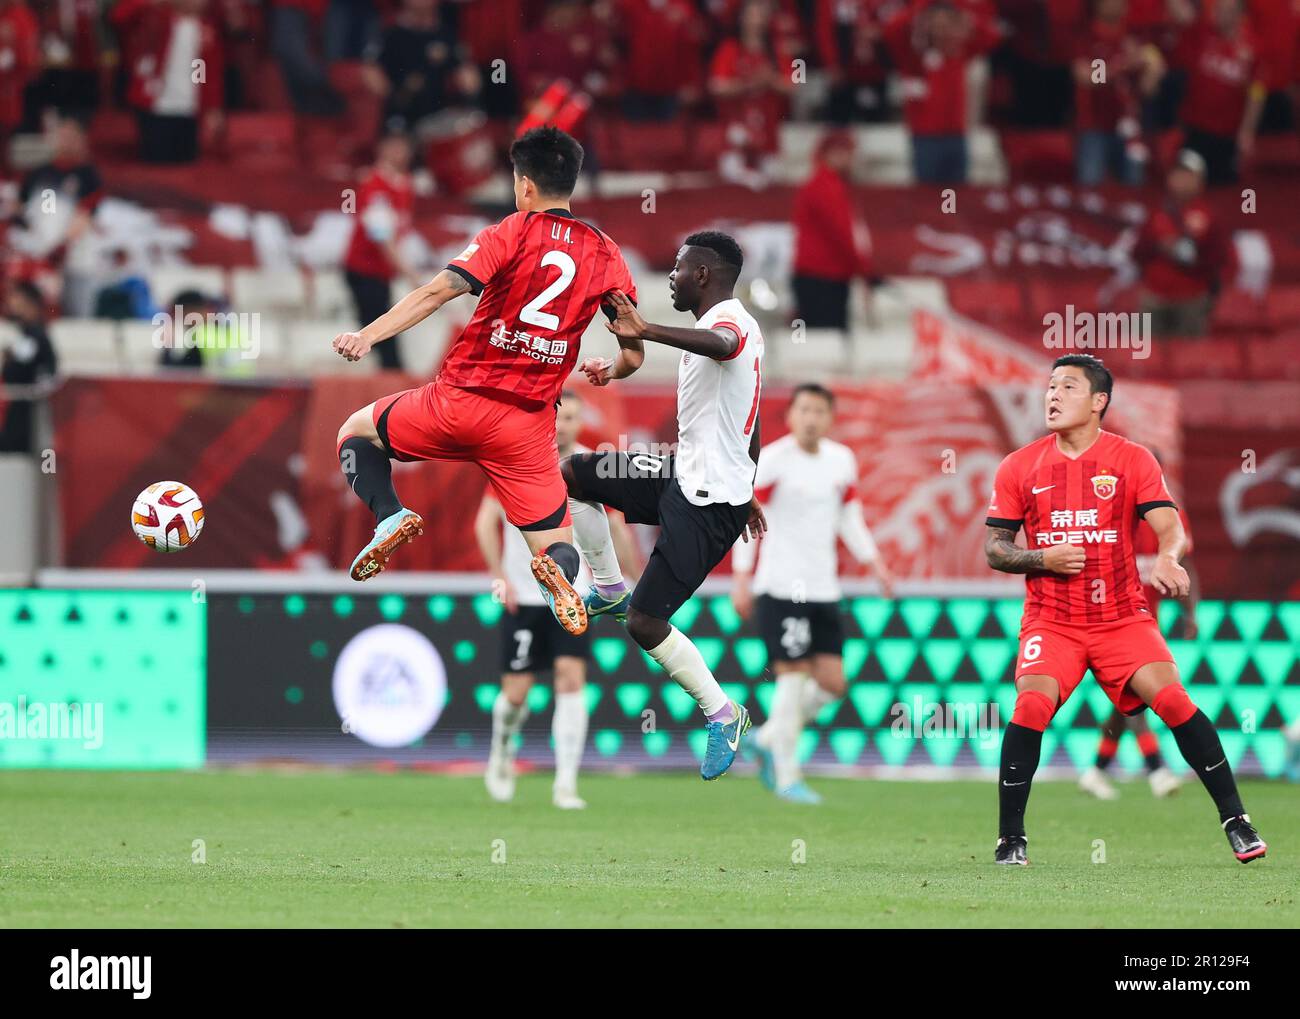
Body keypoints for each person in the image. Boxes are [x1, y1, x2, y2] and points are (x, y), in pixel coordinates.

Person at [331, 126, 640, 641]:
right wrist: (612, 368)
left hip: (457, 402)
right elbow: (633, 346)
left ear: (523, 186)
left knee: (355, 433)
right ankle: (560, 578)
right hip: (526, 427)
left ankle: (388, 517)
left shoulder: (511, 232)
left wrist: (368, 335)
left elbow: (439, 292)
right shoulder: (606, 254)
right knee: (556, 543)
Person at [984, 353, 1266, 865]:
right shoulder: (1019, 466)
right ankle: (1011, 838)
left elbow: (1170, 526)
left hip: (1121, 618)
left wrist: (1166, 556)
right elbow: (995, 549)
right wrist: (1041, 557)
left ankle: (1237, 821)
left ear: (1098, 402)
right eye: (1050, 387)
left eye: (1067, 387)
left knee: (1175, 702)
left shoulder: (1133, 460)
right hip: (1052, 619)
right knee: (1030, 706)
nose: (1052, 395)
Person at [559, 231, 767, 783]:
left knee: (646, 622)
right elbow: (750, 418)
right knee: (575, 474)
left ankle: (724, 714)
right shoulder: (710, 329)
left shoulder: (733, 325)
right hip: (683, 475)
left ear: (703, 273)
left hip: (706, 504)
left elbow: (723, 347)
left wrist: (646, 329)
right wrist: (748, 485)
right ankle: (605, 585)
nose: (670, 277)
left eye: (678, 268)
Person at [476, 388, 641, 810]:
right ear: (547, 418)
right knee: (516, 693)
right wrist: (499, 576)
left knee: (571, 680)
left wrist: (633, 577)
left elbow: (616, 529)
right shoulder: (518, 457)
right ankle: (502, 753)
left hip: (576, 596)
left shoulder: (593, 466)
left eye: (572, 418)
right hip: (527, 592)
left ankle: (565, 782)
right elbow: (485, 522)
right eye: (558, 416)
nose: (563, 424)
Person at [732, 383, 893, 803]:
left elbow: (849, 518)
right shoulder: (772, 461)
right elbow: (746, 524)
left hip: (823, 587)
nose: (811, 418)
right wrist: (742, 576)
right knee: (792, 674)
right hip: (782, 586)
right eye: (804, 409)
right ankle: (787, 775)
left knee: (834, 684)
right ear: (790, 416)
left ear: (830, 418)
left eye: (819, 411)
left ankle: (766, 737)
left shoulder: (842, 461)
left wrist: (874, 561)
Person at [1079, 447, 1197, 801]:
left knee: (1127, 700)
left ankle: (1096, 770)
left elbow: (1186, 562)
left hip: (1148, 623)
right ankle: (1157, 768)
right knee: (1137, 692)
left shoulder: (1172, 517)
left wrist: (1192, 611)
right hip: (1110, 622)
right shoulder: (1107, 515)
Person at [111, 0, 226, 164]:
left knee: (186, 165)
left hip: (188, 110)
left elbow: (205, 72)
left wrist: (211, 107)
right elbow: (120, 16)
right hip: (156, 105)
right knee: (155, 164)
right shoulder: (156, 17)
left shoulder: (206, 30)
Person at [1133, 149, 1231, 337]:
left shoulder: (1210, 216)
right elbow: (1138, 252)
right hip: (1155, 295)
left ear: (1200, 181)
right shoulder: (1156, 213)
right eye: (1178, 174)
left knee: (1191, 359)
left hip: (1192, 297)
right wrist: (1160, 246)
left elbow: (1219, 257)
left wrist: (1194, 256)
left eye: (1188, 175)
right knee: (1144, 360)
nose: (1182, 180)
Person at [342, 132, 415, 371]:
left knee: (387, 330)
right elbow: (382, 238)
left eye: (403, 146)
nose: (400, 152)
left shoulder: (403, 184)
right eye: (394, 146)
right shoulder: (374, 185)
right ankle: (389, 383)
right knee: (381, 336)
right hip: (365, 270)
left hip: (381, 272)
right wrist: (412, 276)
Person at [1173, 0, 1264, 186]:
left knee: (1223, 186)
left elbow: (1257, 94)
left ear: (1240, 15)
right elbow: (1182, 16)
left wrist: (1247, 131)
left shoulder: (1253, 48)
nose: (1220, 15)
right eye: (1218, 9)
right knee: (1185, 181)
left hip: (1226, 135)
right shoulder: (1202, 32)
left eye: (1227, 11)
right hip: (1195, 129)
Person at [790, 130, 873, 333]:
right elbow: (841, 233)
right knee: (826, 339)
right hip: (823, 277)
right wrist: (863, 269)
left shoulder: (821, 185)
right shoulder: (826, 188)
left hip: (820, 276)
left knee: (821, 338)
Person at [0, 281, 57, 453]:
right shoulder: (27, 335)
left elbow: (40, 372)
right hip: (18, 412)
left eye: (16, 297)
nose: (11, 302)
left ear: (30, 303)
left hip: (27, 417)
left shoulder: (37, 336)